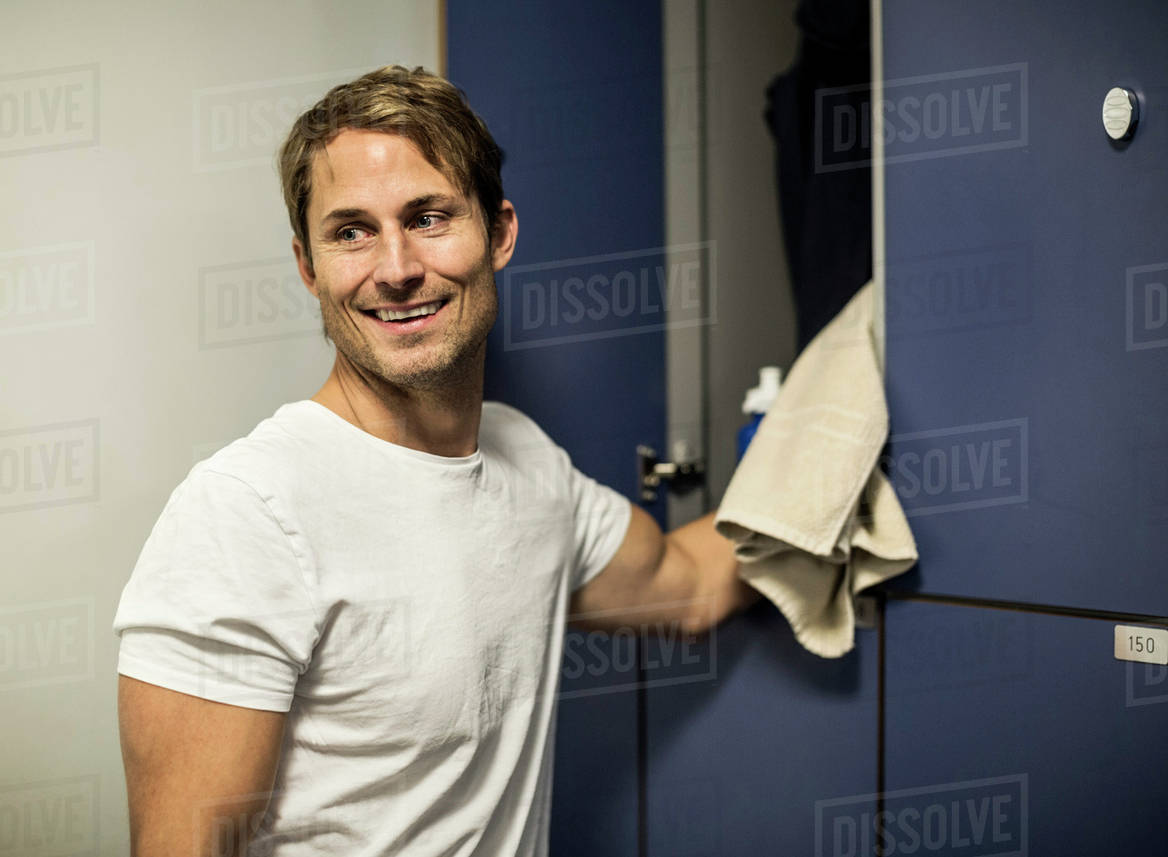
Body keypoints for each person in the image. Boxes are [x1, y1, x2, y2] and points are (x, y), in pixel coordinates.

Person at [112, 64, 756, 857]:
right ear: (309, 266)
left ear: (501, 231)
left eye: (428, 216)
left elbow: (688, 585)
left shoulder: (530, 464)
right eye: (351, 231)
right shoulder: (246, 512)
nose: (396, 267)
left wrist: (823, 444)